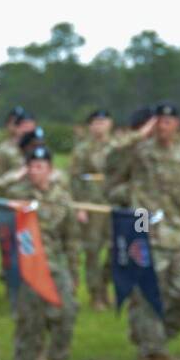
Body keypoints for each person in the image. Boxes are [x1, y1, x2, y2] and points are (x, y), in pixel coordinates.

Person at [103, 103, 180, 360]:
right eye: (159, 121)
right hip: (143, 236)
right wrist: (139, 135)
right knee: (148, 299)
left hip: (179, 237)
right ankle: (158, 358)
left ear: (177, 125)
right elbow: (111, 157)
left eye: (169, 121)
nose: (163, 126)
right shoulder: (138, 154)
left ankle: (152, 338)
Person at [0, 145, 80, 360]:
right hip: (27, 265)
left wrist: (74, 272)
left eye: (40, 167)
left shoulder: (61, 197)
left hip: (54, 265)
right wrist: (13, 176)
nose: (35, 171)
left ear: (51, 170)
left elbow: (71, 238)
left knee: (67, 313)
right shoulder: (17, 193)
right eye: (31, 167)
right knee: (29, 321)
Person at [68, 110, 113, 309]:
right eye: (95, 122)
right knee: (93, 251)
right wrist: (79, 206)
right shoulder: (82, 150)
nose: (99, 126)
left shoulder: (117, 147)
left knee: (116, 249)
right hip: (92, 205)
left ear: (110, 124)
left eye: (102, 122)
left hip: (114, 205)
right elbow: (74, 180)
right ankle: (95, 293)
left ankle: (105, 285)